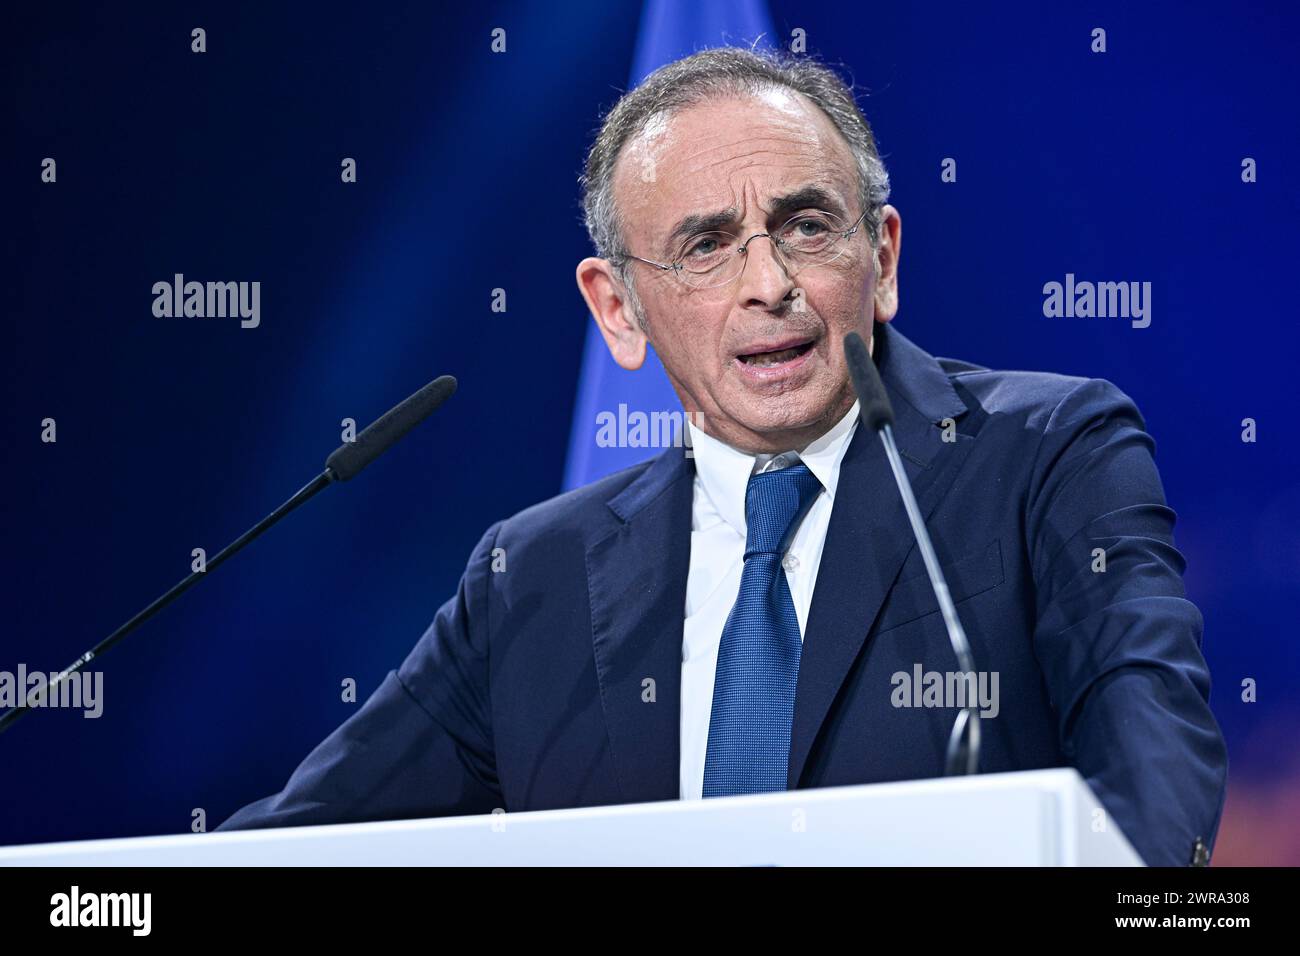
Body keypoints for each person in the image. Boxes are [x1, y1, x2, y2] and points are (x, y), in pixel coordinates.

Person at [219, 48, 1227, 867]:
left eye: (804, 225)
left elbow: (1153, 767)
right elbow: (305, 840)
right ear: (617, 309)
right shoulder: (531, 575)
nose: (769, 283)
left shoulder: (1048, 457)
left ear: (881, 259)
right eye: (705, 245)